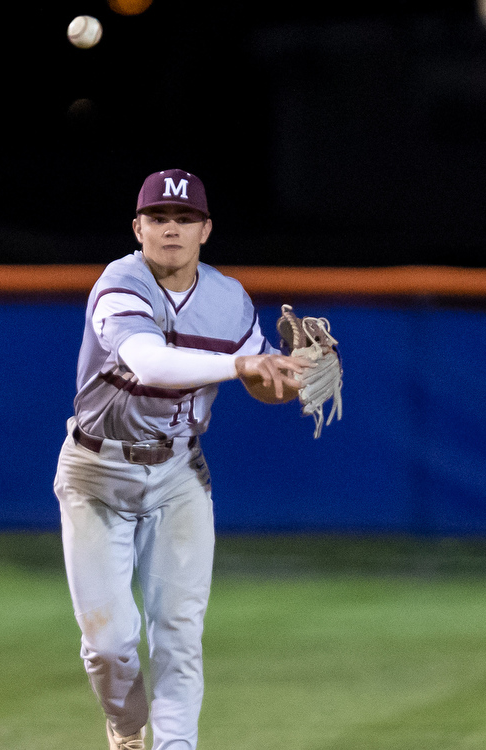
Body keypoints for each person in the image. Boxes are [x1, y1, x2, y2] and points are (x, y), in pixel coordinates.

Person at [53, 169, 310, 750]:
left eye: (185, 219)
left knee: (178, 636)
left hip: (178, 474)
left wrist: (289, 377)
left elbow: (261, 382)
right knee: (110, 644)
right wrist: (241, 366)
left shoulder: (227, 299)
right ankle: (125, 729)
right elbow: (151, 363)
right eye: (159, 219)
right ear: (138, 228)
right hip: (96, 472)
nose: (172, 229)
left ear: (206, 230)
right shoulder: (120, 283)